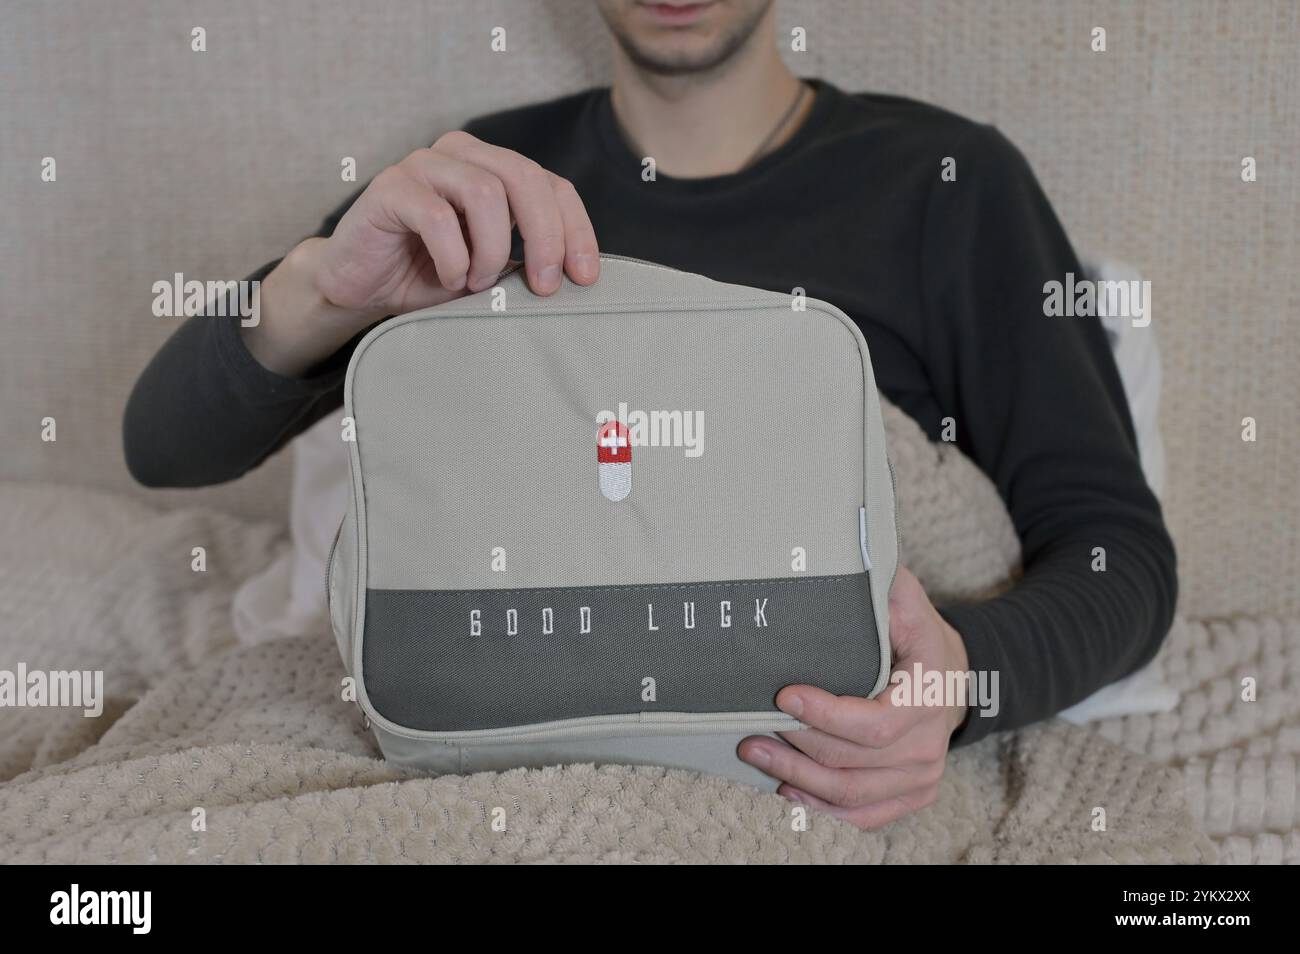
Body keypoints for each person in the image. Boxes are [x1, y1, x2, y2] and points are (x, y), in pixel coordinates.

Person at [124, 0, 1177, 829]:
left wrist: (958, 682)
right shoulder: (478, 182)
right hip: (479, 751)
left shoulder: (948, 181)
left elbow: (1117, 553)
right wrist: (323, 287)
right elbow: (164, 447)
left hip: (799, 768)